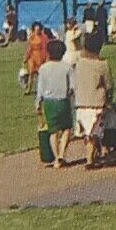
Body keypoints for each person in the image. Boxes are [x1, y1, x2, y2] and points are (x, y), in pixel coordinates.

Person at [72, 37, 115, 169]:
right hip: (96, 103)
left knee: (88, 132)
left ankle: (96, 154)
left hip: (80, 102)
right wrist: (109, 99)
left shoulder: (79, 63)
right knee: (94, 133)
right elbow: (109, 85)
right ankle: (90, 159)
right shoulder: (102, 64)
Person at [35, 39, 75, 167]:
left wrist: (38, 103)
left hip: (49, 102)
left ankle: (57, 157)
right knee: (67, 128)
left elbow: (40, 88)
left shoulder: (43, 68)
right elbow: (72, 87)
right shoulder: (67, 67)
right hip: (63, 101)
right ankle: (62, 154)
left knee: (53, 131)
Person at [24, 22, 51, 95]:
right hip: (33, 57)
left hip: (41, 56)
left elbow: (47, 47)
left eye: (38, 29)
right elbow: (29, 48)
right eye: (36, 29)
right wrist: (26, 57)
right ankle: (28, 89)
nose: (37, 31)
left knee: (42, 74)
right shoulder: (32, 37)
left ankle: (43, 88)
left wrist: (47, 57)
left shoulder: (44, 37)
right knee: (31, 73)